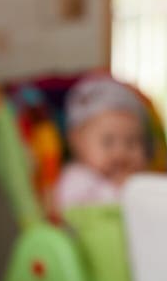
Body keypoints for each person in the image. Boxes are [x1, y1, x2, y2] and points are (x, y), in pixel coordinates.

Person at [55, 75, 150, 209]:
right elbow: (72, 209)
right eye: (108, 142)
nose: (120, 153)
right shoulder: (77, 177)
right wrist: (120, 189)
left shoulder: (141, 180)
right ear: (76, 141)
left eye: (131, 142)